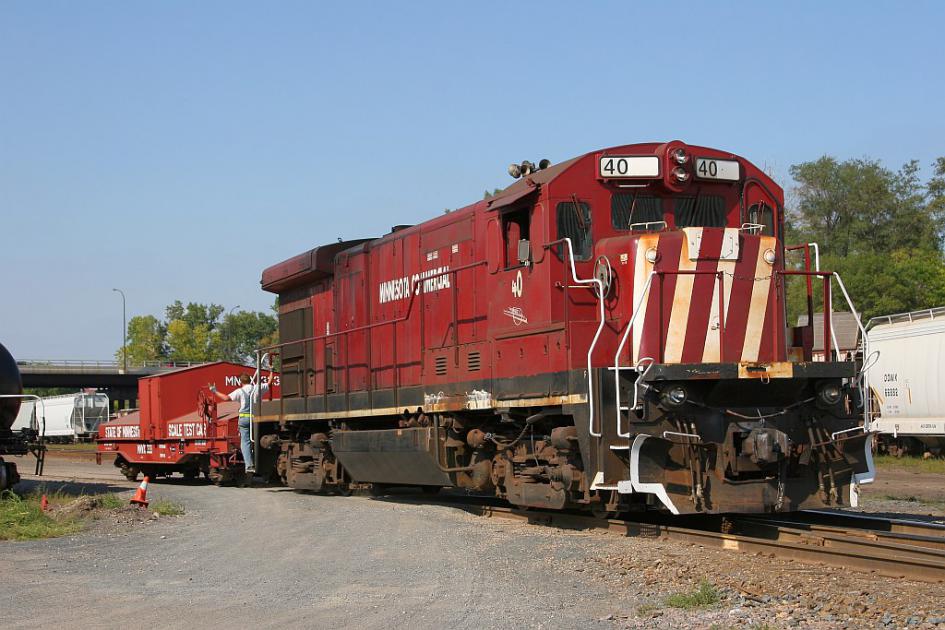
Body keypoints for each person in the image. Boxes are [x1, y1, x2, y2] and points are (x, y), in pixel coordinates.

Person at [209, 372, 272, 474]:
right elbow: (269, 382)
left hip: (244, 419)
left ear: (241, 382)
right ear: (249, 380)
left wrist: (214, 391)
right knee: (258, 441)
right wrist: (271, 370)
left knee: (245, 443)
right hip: (256, 419)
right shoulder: (257, 388)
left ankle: (249, 465)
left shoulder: (240, 391)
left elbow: (226, 398)